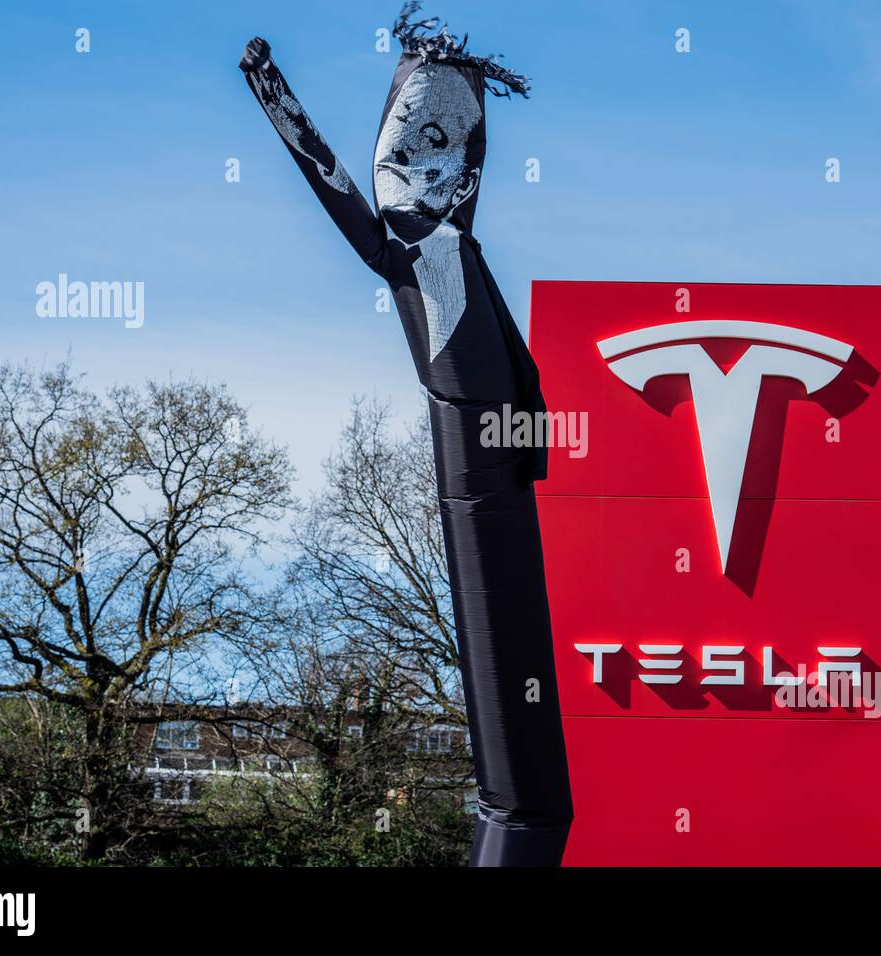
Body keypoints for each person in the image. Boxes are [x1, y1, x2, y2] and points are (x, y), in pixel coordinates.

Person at [239, 2, 573, 866]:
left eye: (447, 153)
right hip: (470, 441)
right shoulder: (402, 247)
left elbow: (515, 355)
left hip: (494, 454)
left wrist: (533, 434)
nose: (429, 169)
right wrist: (272, 92)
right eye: (412, 151)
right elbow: (330, 178)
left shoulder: (463, 242)